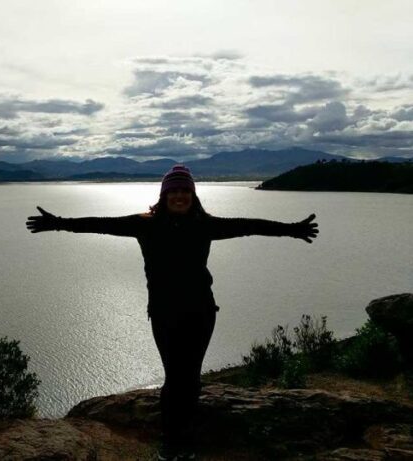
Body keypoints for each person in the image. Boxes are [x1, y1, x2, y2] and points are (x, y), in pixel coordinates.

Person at [25, 165, 318, 460]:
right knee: (174, 377)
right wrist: (58, 223)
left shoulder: (205, 225)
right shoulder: (145, 225)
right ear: (164, 195)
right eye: (174, 191)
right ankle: (170, 443)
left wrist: (292, 230)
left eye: (185, 191)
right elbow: (100, 224)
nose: (179, 196)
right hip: (164, 313)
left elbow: (250, 225)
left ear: (192, 195)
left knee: (190, 378)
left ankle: (185, 442)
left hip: (201, 312)